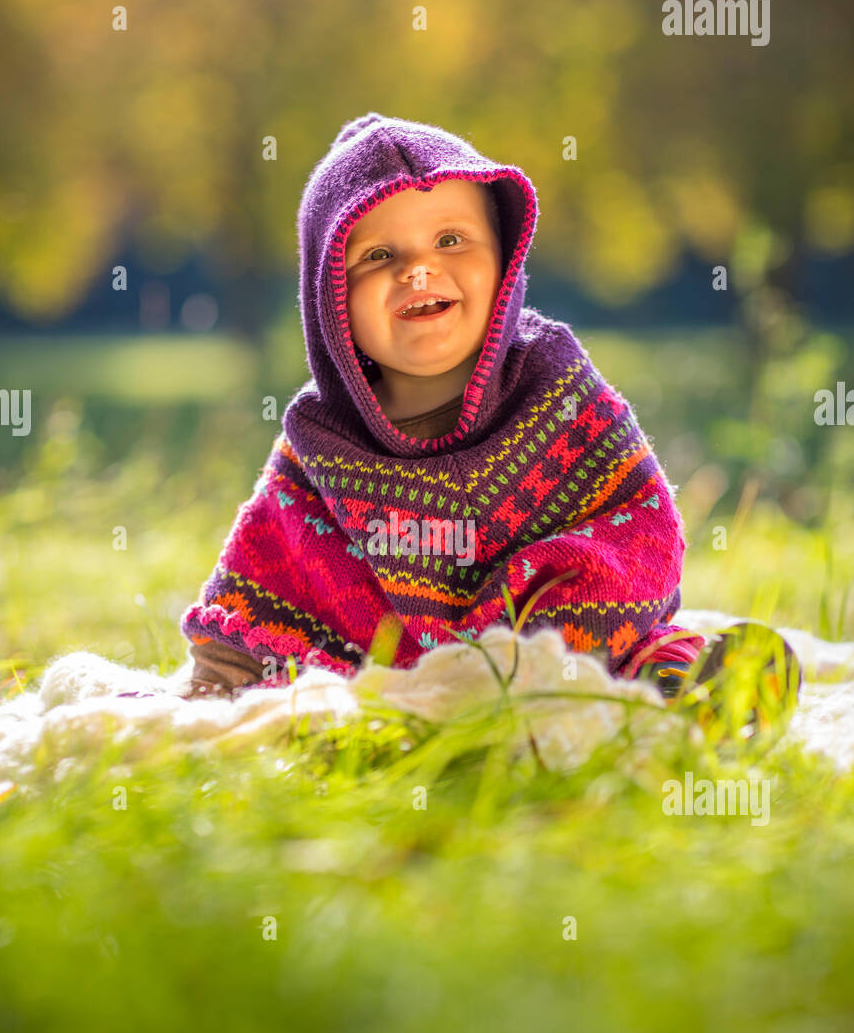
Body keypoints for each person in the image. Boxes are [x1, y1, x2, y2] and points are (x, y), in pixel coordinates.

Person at [178, 112, 796, 719]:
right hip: (382, 679)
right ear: (328, 298)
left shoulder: (555, 391)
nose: (417, 269)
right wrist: (219, 680)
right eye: (377, 255)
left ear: (503, 259)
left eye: (450, 240)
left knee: (637, 668)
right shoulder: (321, 444)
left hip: (564, 646)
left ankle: (694, 691)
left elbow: (635, 522)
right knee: (304, 699)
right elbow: (262, 584)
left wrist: (556, 620)